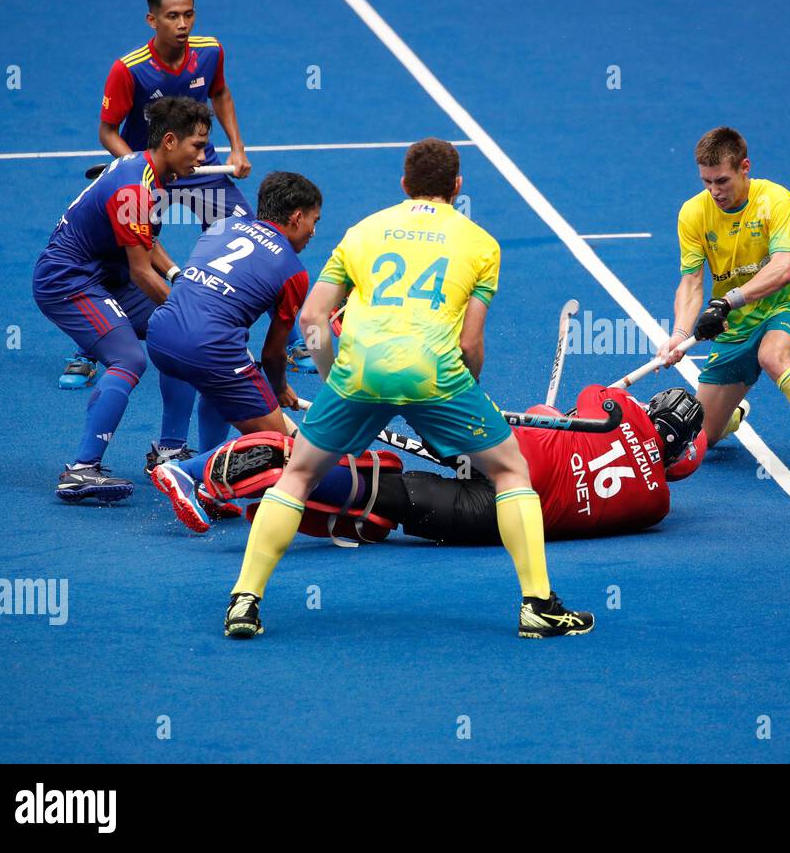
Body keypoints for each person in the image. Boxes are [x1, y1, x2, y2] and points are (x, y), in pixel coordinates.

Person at [222, 137, 595, 640]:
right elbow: (470, 343)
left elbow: (312, 318)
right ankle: (538, 606)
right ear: (457, 187)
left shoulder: (362, 232)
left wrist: (336, 380)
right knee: (509, 470)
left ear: (404, 185)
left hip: (357, 374)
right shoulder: (481, 243)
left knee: (299, 475)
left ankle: (245, 602)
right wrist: (468, 403)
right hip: (435, 377)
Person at [62, 0, 312, 387]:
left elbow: (221, 94)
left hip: (202, 167)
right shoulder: (129, 70)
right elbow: (107, 131)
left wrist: (237, 147)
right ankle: (90, 345)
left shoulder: (210, 52)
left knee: (254, 242)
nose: (183, 24)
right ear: (152, 19)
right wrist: (140, 169)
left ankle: (288, 338)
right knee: (123, 254)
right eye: (173, 16)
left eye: (189, 14)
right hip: (151, 171)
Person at [152, 385, 706, 541]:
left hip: (498, 449)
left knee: (397, 421)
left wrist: (542, 411)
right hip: (500, 515)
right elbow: (674, 469)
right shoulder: (656, 504)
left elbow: (567, 408)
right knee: (386, 495)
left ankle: (211, 472)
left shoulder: (613, 404)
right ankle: (257, 487)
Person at [32, 97, 212, 502]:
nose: (203, 156)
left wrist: (178, 279)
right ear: (169, 141)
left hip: (106, 273)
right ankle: (81, 470)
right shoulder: (136, 188)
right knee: (130, 358)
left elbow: (147, 245)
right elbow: (140, 271)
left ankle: (169, 453)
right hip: (70, 281)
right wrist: (188, 309)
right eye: (197, 146)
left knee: (176, 338)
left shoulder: (146, 170)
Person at [145, 172, 319, 481]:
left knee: (223, 384)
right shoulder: (294, 271)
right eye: (313, 221)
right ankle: (183, 474)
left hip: (160, 333)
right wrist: (278, 389)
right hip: (210, 349)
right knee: (279, 448)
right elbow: (274, 353)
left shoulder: (222, 226)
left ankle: (207, 483)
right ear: (296, 217)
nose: (314, 232)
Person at [655, 126, 790, 446]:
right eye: (706, 182)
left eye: (722, 181)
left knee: (774, 355)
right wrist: (679, 334)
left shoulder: (774, 199)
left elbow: (783, 268)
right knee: (700, 438)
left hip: (786, 305)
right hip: (737, 325)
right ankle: (731, 411)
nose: (714, 191)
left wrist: (728, 301)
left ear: (745, 168)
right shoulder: (693, 213)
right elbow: (691, 283)